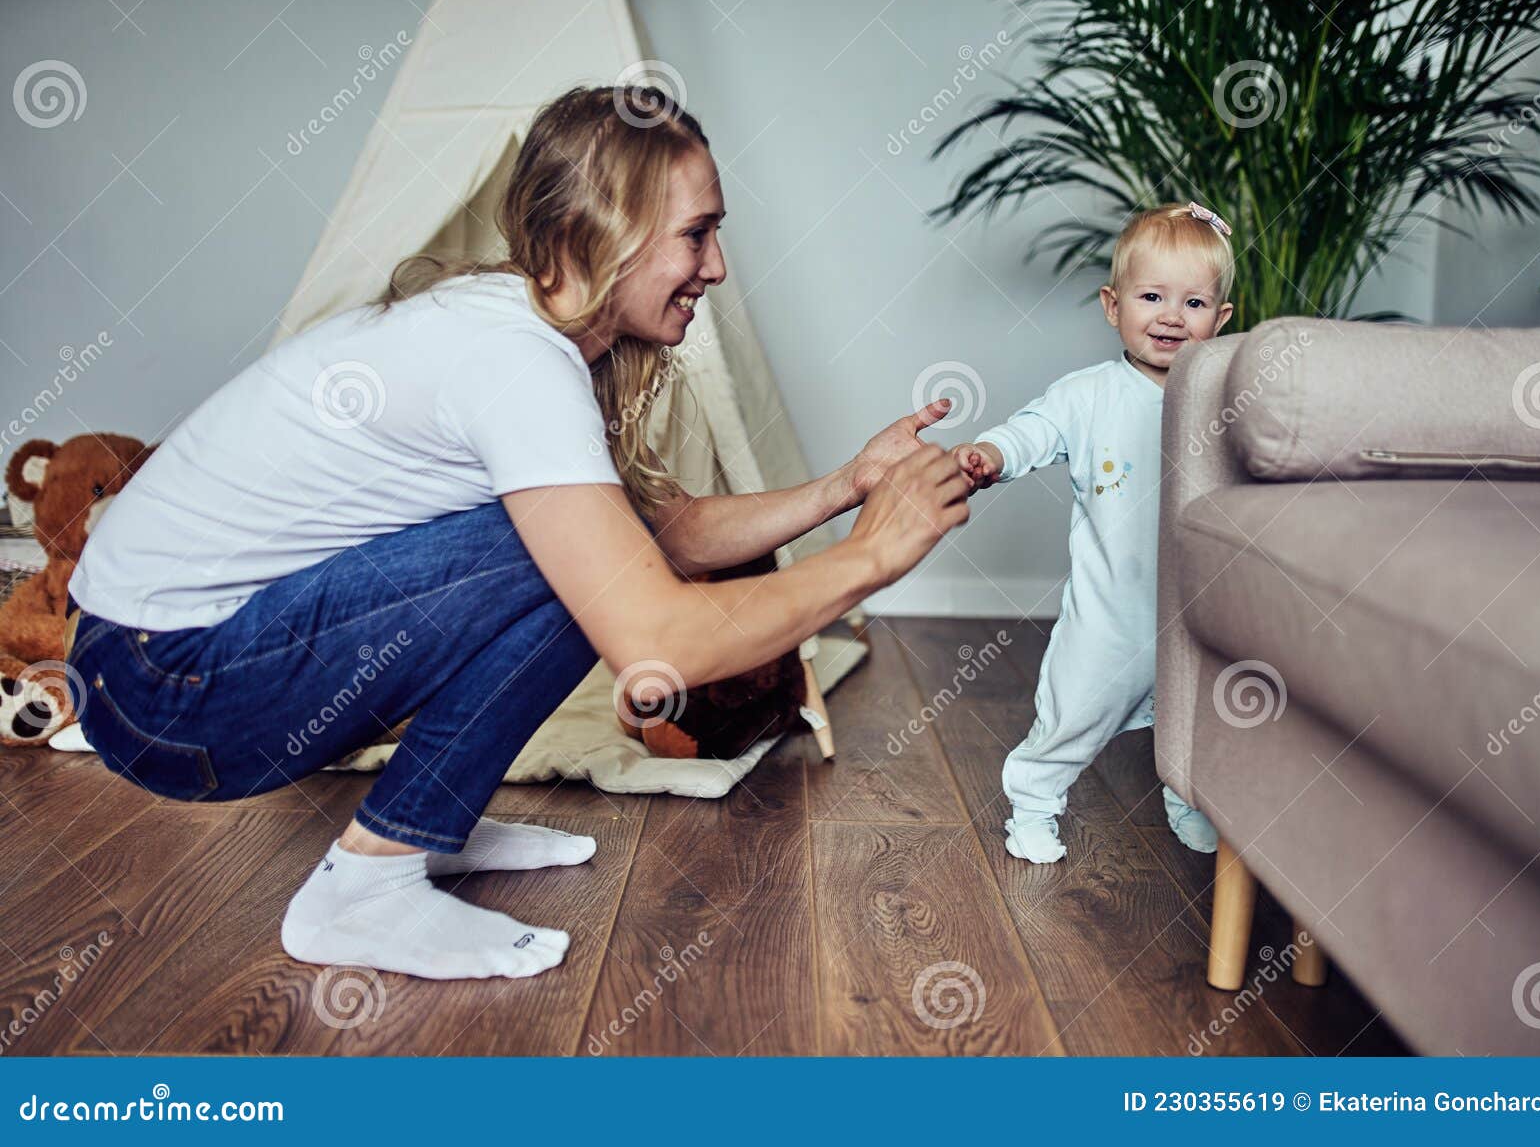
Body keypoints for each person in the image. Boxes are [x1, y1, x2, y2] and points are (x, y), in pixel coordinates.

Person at [64, 86, 969, 980]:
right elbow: (656, 637)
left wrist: (848, 488)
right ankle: (366, 888)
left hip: (147, 669)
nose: (719, 266)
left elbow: (670, 533)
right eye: (697, 233)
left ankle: (423, 819)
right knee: (587, 571)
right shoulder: (516, 363)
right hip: (162, 689)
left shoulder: (522, 326)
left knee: (595, 550)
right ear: (605, 231)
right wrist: (873, 555)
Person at [952, 202, 1235, 864]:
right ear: (1114, 306)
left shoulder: (1223, 398)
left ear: (1220, 320)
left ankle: (1186, 795)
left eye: (1193, 302)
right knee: (1075, 712)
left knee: (1195, 718)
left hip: (1194, 610)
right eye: (1152, 296)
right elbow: (1034, 428)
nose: (1171, 315)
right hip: (1110, 613)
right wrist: (992, 454)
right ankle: (1034, 799)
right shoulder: (1089, 395)